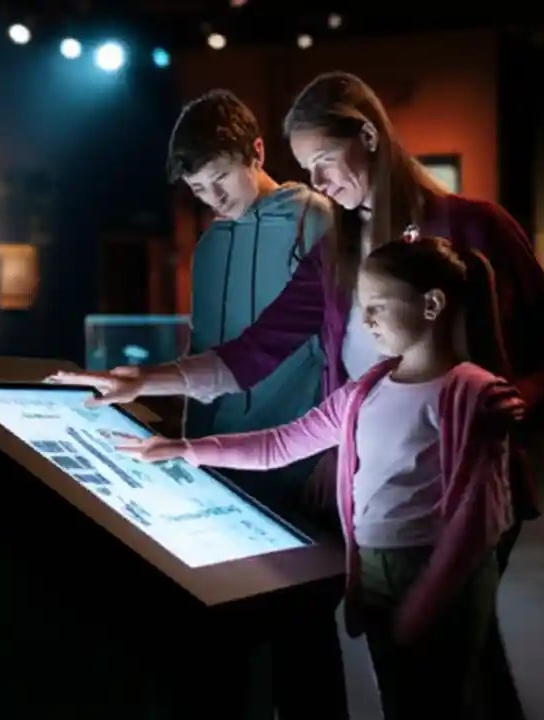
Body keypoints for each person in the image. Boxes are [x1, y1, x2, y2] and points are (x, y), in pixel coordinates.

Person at [52, 71, 544, 718]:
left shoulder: (475, 226)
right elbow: (254, 353)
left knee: (460, 664)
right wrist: (144, 381)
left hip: (467, 489)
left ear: (368, 134)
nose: (318, 182)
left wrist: (510, 401)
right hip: (375, 493)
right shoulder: (337, 247)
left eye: (323, 160)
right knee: (424, 673)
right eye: (307, 167)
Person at [118, 235, 524, 719]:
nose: (366, 320)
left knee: (444, 701)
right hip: (374, 567)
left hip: (440, 571)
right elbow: (281, 444)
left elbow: (477, 515)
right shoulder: (363, 392)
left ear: (432, 304)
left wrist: (428, 597)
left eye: (379, 305)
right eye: (361, 306)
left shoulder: (471, 393)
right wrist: (185, 450)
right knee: (398, 699)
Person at [164, 89, 347, 719]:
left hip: (303, 467)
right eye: (198, 191)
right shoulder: (210, 247)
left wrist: (336, 453)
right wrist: (189, 461)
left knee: (305, 645)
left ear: (257, 153)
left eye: (220, 180)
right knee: (234, 643)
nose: (214, 201)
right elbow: (205, 351)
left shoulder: (316, 217)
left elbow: (341, 350)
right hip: (229, 472)